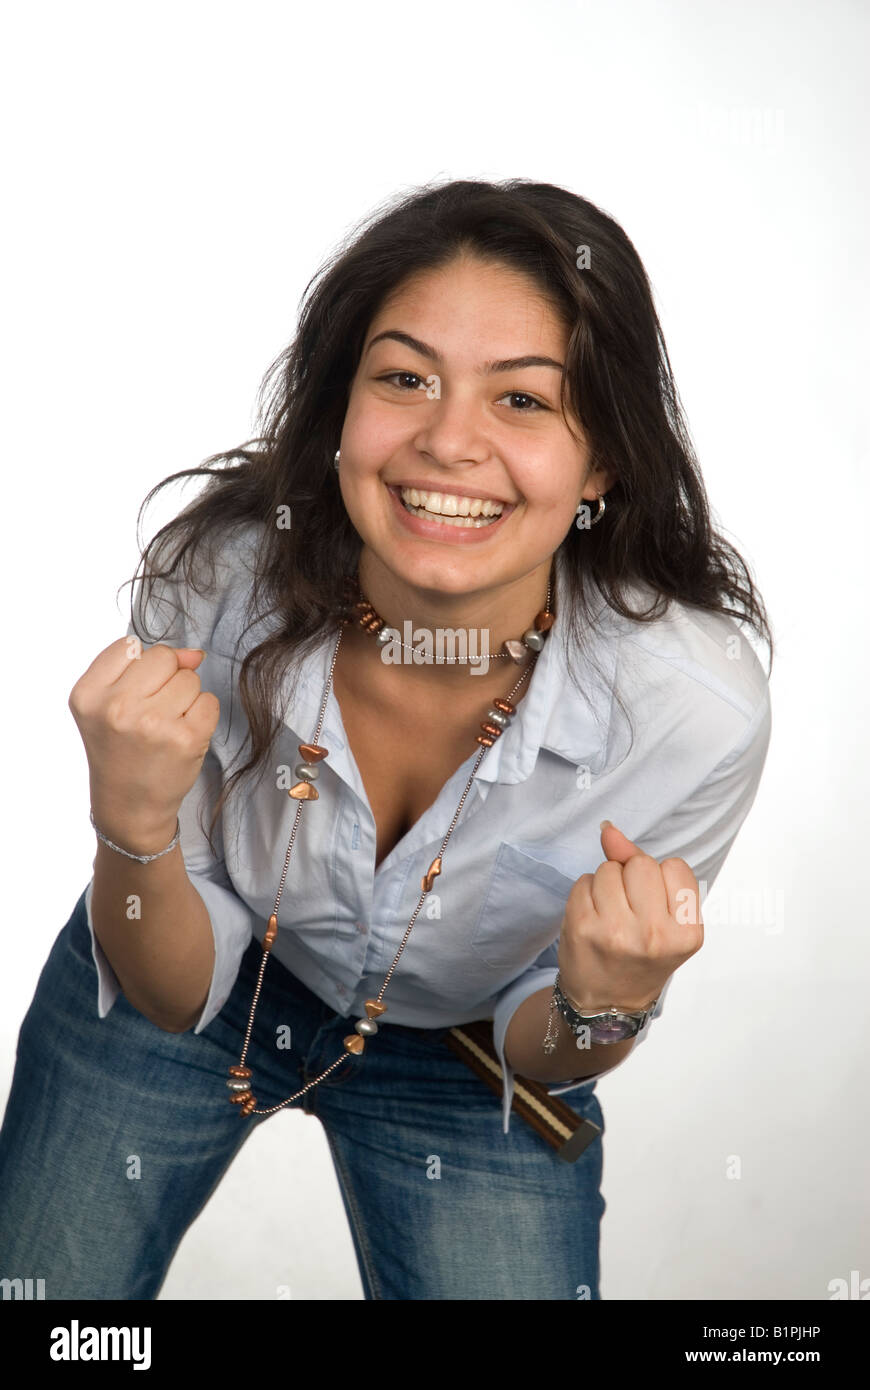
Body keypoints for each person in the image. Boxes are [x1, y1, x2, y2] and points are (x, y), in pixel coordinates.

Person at [0, 178, 773, 1301]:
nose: (448, 441)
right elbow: (171, 991)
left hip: (467, 1054)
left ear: (603, 461)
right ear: (340, 414)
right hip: (198, 951)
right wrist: (128, 826)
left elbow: (544, 1045)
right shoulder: (215, 582)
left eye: (523, 401)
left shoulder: (696, 713)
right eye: (404, 378)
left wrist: (599, 1000)